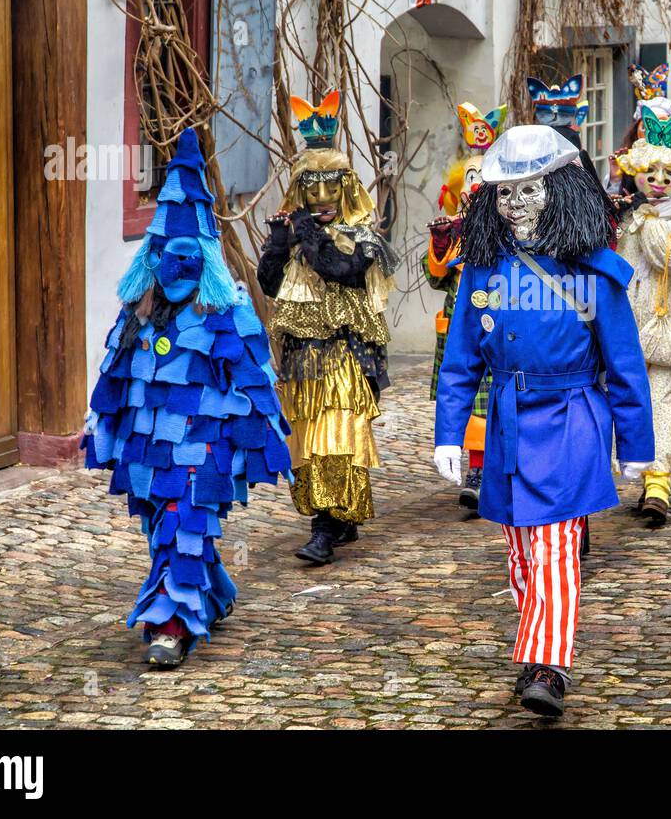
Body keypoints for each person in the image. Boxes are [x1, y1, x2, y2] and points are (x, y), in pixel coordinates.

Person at [433, 125, 654, 717]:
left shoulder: (593, 271)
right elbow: (460, 362)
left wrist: (637, 444)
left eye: (530, 191)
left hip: (571, 415)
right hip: (506, 416)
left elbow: (625, 362)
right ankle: (541, 642)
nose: (516, 205)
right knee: (521, 549)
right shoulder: (481, 269)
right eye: (506, 193)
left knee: (556, 545)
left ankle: (548, 668)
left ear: (559, 191)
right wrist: (449, 434)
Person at [84, 128, 292, 668]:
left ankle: (170, 626)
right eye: (166, 259)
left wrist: (262, 444)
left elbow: (256, 385)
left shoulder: (228, 312)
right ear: (152, 258)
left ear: (203, 257)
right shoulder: (136, 317)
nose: (175, 271)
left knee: (184, 521)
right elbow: (115, 384)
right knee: (164, 527)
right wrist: (106, 433)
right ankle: (214, 593)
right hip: (152, 450)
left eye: (187, 258)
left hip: (204, 448)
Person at [256, 91, 398, 566]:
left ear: (345, 188)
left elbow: (341, 269)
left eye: (329, 189)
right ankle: (339, 518)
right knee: (310, 440)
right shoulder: (299, 235)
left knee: (336, 436)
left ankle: (325, 527)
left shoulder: (364, 237)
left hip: (343, 356)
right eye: (309, 190)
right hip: (302, 358)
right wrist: (279, 243)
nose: (319, 200)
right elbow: (272, 285)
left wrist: (309, 234)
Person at [613, 108, 671, 525]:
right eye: (650, 174)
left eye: (667, 175)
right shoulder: (627, 217)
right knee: (633, 400)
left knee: (666, 401)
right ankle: (636, 466)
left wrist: (650, 222)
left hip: (669, 325)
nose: (658, 182)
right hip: (628, 324)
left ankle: (658, 485)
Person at [423, 101, 506, 512]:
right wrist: (440, 246)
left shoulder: (502, 230)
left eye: (481, 180)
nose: (474, 188)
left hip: (492, 320)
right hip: (456, 323)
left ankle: (485, 468)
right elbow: (436, 277)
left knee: (488, 397)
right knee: (466, 393)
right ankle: (471, 466)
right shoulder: (453, 231)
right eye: (468, 180)